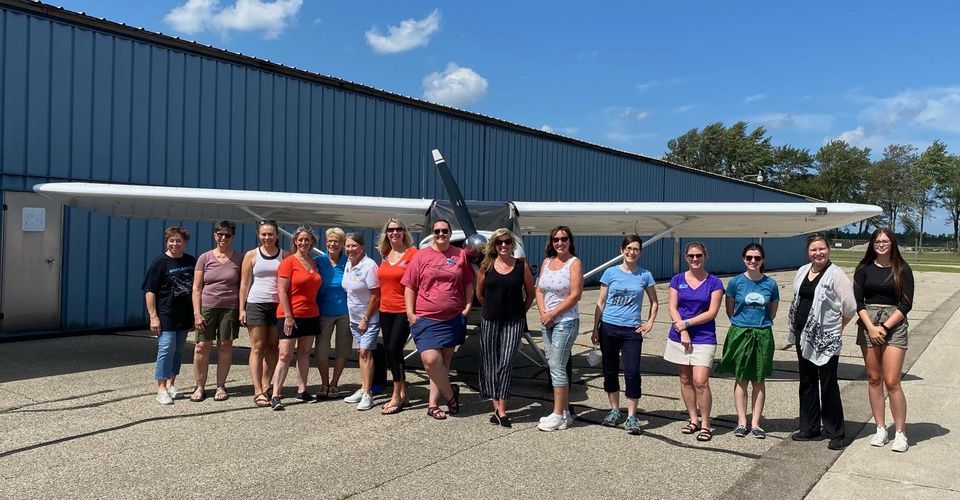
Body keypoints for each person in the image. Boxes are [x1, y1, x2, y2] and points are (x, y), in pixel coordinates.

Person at [401, 219, 475, 420]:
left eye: (444, 231)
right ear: (432, 234)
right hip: (426, 316)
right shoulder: (421, 256)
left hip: (453, 317)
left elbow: (468, 283)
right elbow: (410, 285)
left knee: (444, 361)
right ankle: (450, 394)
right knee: (431, 360)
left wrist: (467, 307)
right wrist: (410, 313)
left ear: (450, 233)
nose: (441, 234)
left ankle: (433, 404)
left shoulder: (460, 254)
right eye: (437, 231)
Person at [788, 234, 856, 450]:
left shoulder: (836, 274)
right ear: (808, 252)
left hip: (826, 339)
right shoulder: (802, 271)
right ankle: (809, 428)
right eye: (813, 250)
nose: (818, 253)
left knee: (828, 384)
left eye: (821, 249)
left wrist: (836, 329)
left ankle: (836, 432)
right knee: (807, 381)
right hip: (803, 335)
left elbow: (850, 307)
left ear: (828, 249)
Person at [591, 235, 659, 435]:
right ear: (622, 250)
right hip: (609, 328)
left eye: (635, 249)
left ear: (640, 252)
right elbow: (601, 302)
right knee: (610, 370)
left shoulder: (645, 275)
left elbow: (654, 302)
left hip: (632, 331)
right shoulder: (610, 273)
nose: (631, 252)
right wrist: (595, 328)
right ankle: (614, 410)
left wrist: (650, 321)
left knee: (632, 372)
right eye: (628, 248)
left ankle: (631, 416)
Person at [854, 228, 914, 453]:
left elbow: (906, 303)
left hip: (894, 324)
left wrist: (885, 327)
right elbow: (858, 302)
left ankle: (900, 432)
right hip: (868, 323)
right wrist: (871, 327)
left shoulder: (902, 269)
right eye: (877, 241)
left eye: (885, 241)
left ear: (892, 243)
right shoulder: (863, 269)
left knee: (892, 381)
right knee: (873, 378)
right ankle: (880, 428)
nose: (881, 244)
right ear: (872, 244)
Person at [716, 243, 779, 439]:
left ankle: (756, 424)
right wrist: (742, 323)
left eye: (757, 258)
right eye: (749, 257)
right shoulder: (735, 282)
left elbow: (772, 312)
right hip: (740, 332)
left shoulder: (771, 284)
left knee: (759, 379)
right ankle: (742, 422)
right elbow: (730, 309)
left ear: (763, 260)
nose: (753, 261)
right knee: (741, 378)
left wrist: (759, 324)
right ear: (743, 259)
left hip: (762, 333)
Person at [664, 241, 724, 442]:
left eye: (698, 255)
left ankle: (706, 424)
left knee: (700, 381)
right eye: (691, 256)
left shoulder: (714, 282)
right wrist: (682, 330)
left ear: (705, 257)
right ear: (686, 258)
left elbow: (712, 312)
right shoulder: (677, 279)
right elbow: (672, 307)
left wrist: (687, 324)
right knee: (685, 379)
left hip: (704, 337)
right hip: (679, 336)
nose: (695, 259)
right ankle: (693, 419)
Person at [476, 228, 535, 427]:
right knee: (491, 362)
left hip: (513, 321)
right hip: (490, 320)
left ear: (512, 244)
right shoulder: (486, 266)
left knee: (506, 362)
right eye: (499, 242)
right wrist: (491, 308)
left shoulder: (520, 265)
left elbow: (530, 293)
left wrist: (520, 311)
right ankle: (497, 408)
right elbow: (480, 294)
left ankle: (502, 409)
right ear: (494, 245)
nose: (503, 245)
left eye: (507, 242)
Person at [535, 226, 584, 432]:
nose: (560, 243)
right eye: (556, 239)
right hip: (547, 321)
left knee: (557, 366)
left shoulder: (575, 263)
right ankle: (564, 413)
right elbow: (539, 290)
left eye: (564, 239)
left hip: (566, 321)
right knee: (554, 365)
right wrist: (543, 313)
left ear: (570, 241)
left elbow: (575, 295)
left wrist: (552, 314)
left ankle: (557, 413)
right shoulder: (547, 262)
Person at [269, 227, 323, 411]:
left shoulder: (313, 262)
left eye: (307, 240)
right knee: (285, 355)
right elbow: (282, 291)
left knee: (305, 353)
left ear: (312, 242)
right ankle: (276, 394)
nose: (303, 243)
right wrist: (288, 316)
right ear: (295, 242)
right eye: (300, 240)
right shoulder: (288, 262)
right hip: (290, 315)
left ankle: (302, 390)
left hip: (311, 314)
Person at [142, 226, 196, 405]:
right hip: (166, 314)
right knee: (166, 348)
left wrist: (195, 315)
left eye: (178, 240)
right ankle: (161, 388)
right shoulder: (160, 262)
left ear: (185, 242)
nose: (175, 244)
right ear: (166, 242)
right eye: (171, 240)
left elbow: (196, 288)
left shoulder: (190, 261)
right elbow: (150, 291)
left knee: (178, 350)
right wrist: (153, 316)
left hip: (185, 315)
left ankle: (171, 384)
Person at [190, 220, 242, 402]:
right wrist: (197, 313)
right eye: (220, 234)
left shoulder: (239, 258)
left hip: (230, 307)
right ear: (215, 236)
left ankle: (221, 386)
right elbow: (196, 287)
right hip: (207, 307)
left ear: (232, 237)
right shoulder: (204, 258)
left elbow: (243, 286)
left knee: (225, 345)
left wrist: (242, 310)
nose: (223, 238)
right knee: (201, 346)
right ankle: (199, 386)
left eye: (227, 235)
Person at [239, 220, 286, 407]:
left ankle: (267, 384)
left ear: (277, 235)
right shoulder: (251, 255)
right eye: (264, 234)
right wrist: (242, 308)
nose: (267, 237)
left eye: (271, 234)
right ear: (259, 235)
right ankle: (257, 390)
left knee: (273, 347)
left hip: (277, 305)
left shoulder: (285, 255)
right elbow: (244, 284)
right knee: (257, 347)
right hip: (256, 303)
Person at [377, 218, 417, 415]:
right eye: (391, 229)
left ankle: (396, 396)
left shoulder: (412, 254)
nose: (394, 232)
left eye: (398, 229)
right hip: (385, 310)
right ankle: (404, 394)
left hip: (403, 309)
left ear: (404, 232)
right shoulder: (385, 255)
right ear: (386, 233)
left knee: (394, 349)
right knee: (392, 352)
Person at [340, 233, 382, 411]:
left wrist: (365, 318)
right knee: (361, 353)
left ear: (362, 247)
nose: (350, 249)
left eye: (354, 246)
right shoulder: (349, 263)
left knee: (366, 352)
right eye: (348, 246)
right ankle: (364, 387)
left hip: (368, 318)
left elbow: (376, 295)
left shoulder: (369, 266)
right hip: (354, 318)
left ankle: (368, 394)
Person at [313, 227, 351, 399]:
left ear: (342, 244)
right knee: (321, 348)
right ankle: (324, 383)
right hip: (323, 311)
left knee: (343, 348)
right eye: (329, 241)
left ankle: (335, 383)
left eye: (336, 241)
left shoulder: (349, 261)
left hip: (345, 312)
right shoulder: (318, 261)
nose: (332, 244)